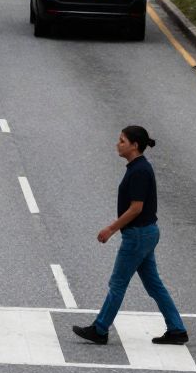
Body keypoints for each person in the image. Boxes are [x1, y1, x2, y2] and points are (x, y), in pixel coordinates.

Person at [72, 126, 189, 346]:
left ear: (135, 145)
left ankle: (100, 329)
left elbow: (136, 208)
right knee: (154, 285)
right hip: (145, 233)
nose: (118, 144)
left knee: (117, 284)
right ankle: (177, 329)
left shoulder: (139, 171)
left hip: (138, 235)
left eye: (122, 140)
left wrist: (110, 229)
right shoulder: (137, 168)